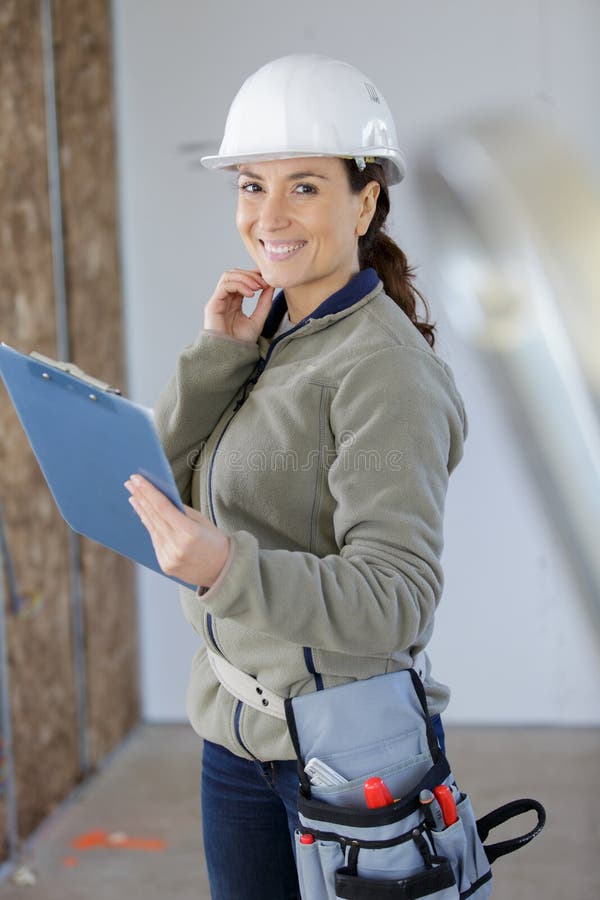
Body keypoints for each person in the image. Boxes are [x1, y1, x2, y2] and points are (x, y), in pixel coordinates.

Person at [124, 53, 469, 900]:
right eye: (250, 185)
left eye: (305, 187)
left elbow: (396, 594)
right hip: (237, 743)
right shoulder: (267, 332)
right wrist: (217, 357)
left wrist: (226, 570)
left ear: (367, 198)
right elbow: (150, 486)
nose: (268, 215)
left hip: (345, 756)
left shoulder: (381, 368)